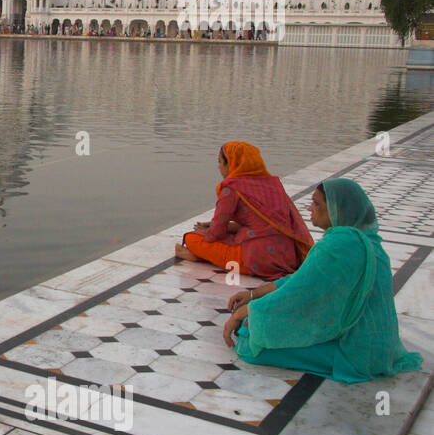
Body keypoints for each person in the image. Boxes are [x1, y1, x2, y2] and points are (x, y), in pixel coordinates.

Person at [224, 179, 421, 383]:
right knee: (258, 324)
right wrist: (253, 295)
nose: (310, 208)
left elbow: (297, 294)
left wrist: (249, 311)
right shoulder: (369, 241)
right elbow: (303, 279)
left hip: (357, 353)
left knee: (250, 344)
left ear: (337, 210)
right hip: (382, 347)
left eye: (317, 204)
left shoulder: (339, 245)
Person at [176, 141, 313, 279]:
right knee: (224, 237)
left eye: (220, 162)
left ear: (231, 164)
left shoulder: (232, 188)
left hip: (258, 259)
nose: (219, 167)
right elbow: (265, 224)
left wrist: (208, 231)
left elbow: (215, 234)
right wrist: (220, 226)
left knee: (192, 238)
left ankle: (198, 257)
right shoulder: (273, 184)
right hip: (288, 256)